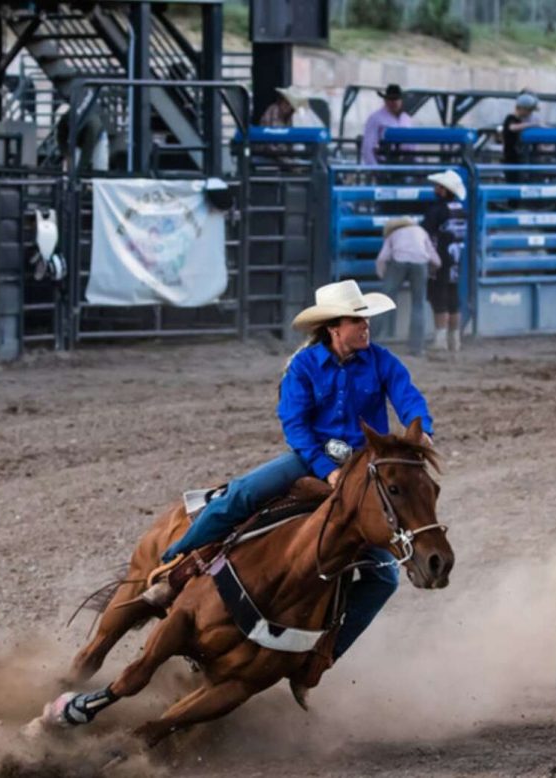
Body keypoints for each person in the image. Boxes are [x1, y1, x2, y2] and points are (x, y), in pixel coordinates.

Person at [145, 279, 434, 663]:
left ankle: (324, 655)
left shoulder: (381, 361)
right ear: (335, 328)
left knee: (384, 577)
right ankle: (173, 567)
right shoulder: (304, 366)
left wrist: (422, 429)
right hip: (310, 458)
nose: (366, 327)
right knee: (242, 495)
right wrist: (326, 470)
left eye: (366, 320)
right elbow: (295, 425)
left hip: (365, 470)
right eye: (357, 321)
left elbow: (408, 396)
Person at [371, 217, 440, 356]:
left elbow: (382, 258)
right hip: (420, 263)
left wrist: (382, 275)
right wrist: (432, 269)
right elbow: (435, 258)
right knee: (418, 304)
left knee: (384, 300)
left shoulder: (393, 234)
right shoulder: (421, 231)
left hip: (399, 262)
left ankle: (370, 339)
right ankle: (417, 347)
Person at [423, 170, 468, 353]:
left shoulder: (437, 210)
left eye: (439, 186)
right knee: (453, 297)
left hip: (440, 258)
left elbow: (426, 232)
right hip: (456, 258)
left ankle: (440, 339)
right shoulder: (461, 210)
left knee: (438, 298)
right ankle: (454, 339)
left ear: (444, 190)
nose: (435, 189)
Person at [360, 84, 413, 166]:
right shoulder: (375, 118)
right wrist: (375, 169)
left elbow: (412, 146)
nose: (393, 102)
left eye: (396, 99)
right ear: (385, 100)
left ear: (401, 100)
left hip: (405, 164)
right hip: (384, 164)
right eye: (390, 99)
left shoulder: (406, 119)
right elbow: (368, 147)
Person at [502, 92, 541, 183]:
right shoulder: (510, 118)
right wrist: (532, 124)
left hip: (519, 158)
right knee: (513, 184)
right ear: (522, 109)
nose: (530, 113)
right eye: (529, 110)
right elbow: (512, 127)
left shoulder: (520, 120)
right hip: (510, 159)